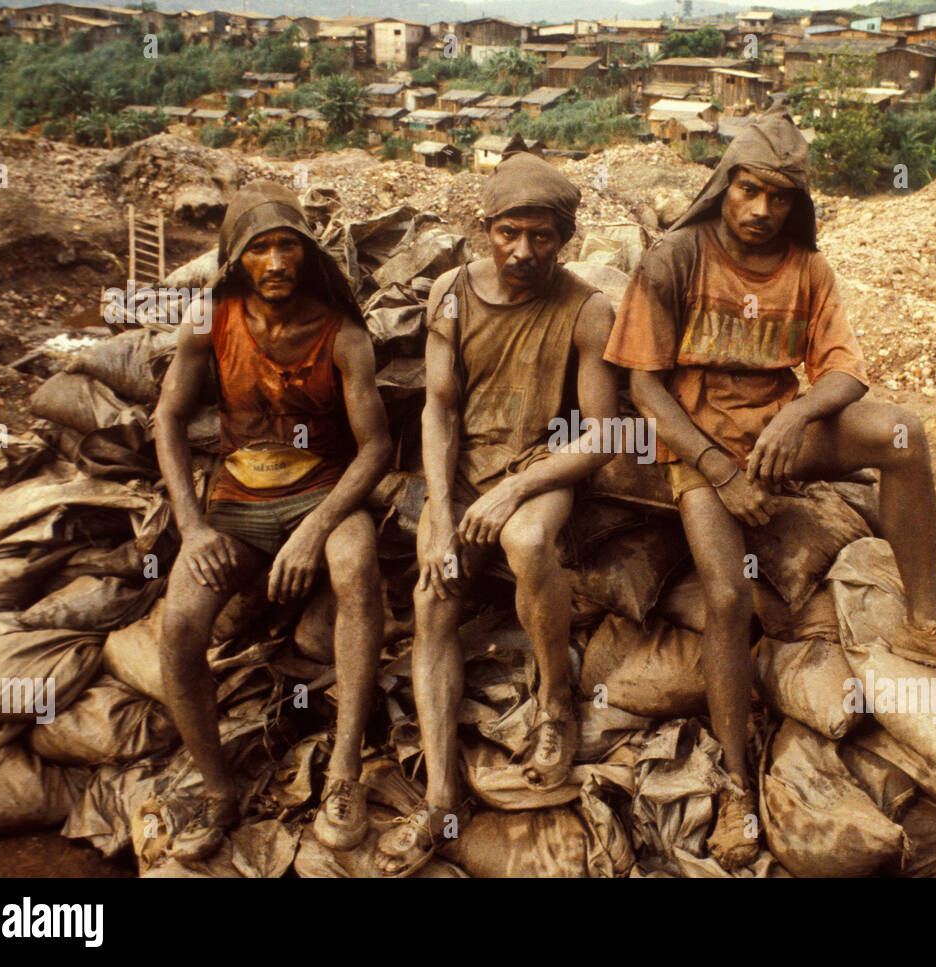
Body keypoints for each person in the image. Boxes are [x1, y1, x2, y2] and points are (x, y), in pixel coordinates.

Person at [602, 105, 936, 871]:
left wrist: (796, 415)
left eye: (779, 196)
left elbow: (847, 369)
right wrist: (720, 471)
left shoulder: (808, 268)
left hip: (779, 431)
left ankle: (924, 618)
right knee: (727, 597)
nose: (761, 210)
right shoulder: (675, 258)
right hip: (701, 446)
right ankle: (732, 783)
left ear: (798, 204)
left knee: (902, 433)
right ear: (723, 184)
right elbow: (644, 386)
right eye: (748, 190)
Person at [373, 152, 618, 876]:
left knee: (529, 538)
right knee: (432, 595)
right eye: (510, 232)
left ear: (565, 237)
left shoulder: (587, 309)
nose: (523, 250)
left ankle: (554, 703)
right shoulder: (451, 292)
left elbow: (603, 433)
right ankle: (443, 793)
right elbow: (439, 407)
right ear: (485, 229)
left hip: (538, 467)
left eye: (542, 236)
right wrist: (440, 512)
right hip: (461, 473)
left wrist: (514, 488)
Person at [154, 181, 391, 860]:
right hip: (234, 504)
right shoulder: (212, 319)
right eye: (261, 248)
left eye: (290, 243)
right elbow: (168, 416)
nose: (278, 260)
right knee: (178, 624)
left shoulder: (342, 333)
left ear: (307, 252)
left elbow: (375, 447)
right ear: (237, 259)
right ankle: (217, 785)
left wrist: (315, 529)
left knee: (354, 564)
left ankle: (344, 770)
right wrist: (194, 527)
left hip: (322, 493)